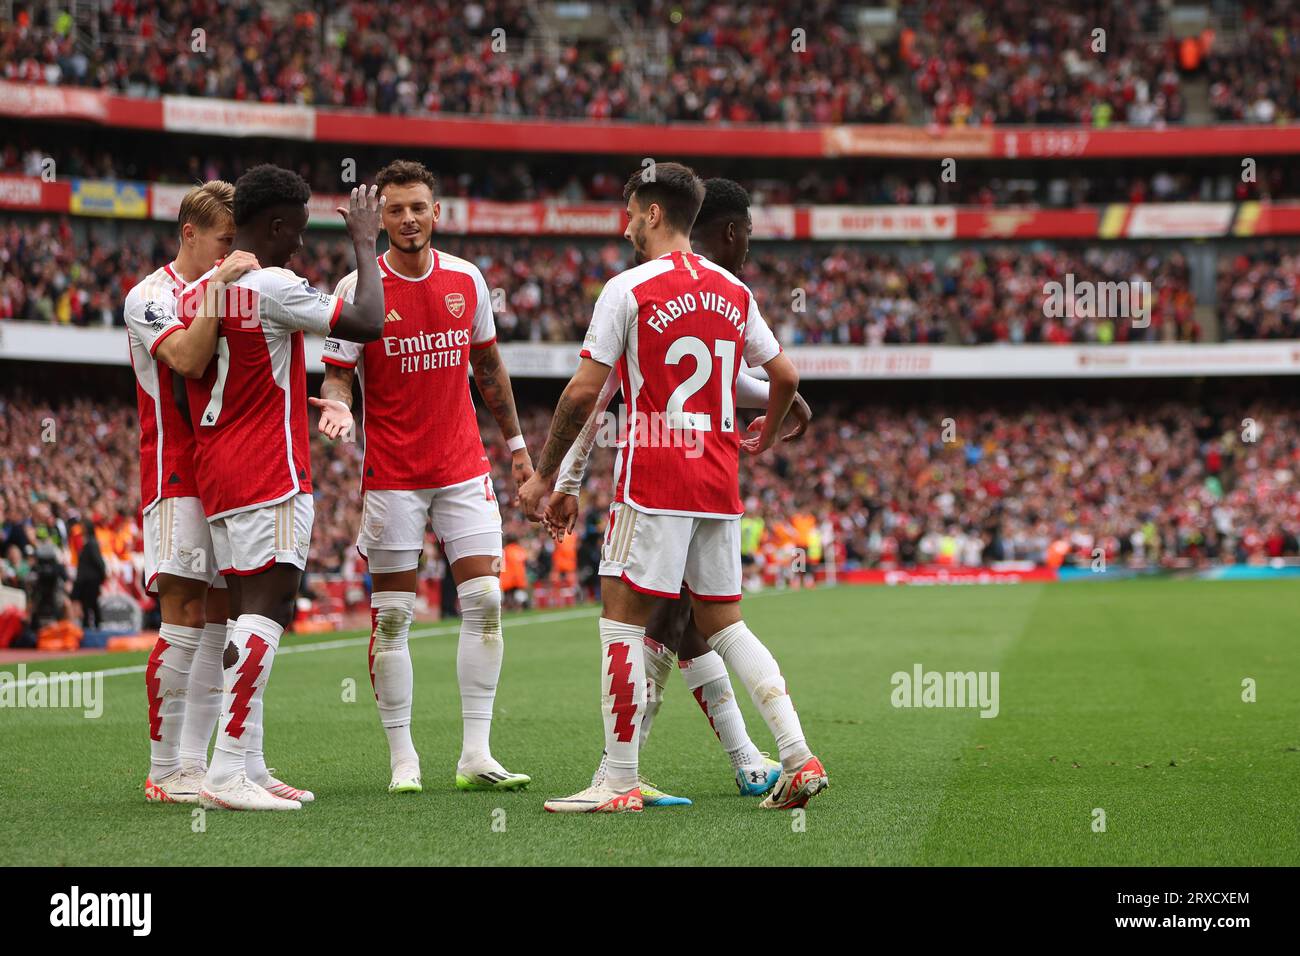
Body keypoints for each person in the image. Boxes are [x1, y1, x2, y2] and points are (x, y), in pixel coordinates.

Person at [519, 163, 827, 813]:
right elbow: (788, 375)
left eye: (632, 213)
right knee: (723, 622)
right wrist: (765, 435)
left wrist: (546, 476)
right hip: (716, 478)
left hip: (654, 477)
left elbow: (583, 394)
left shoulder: (628, 290)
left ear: (654, 214)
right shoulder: (732, 291)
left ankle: (619, 781)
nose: (628, 225)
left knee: (622, 618)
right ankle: (797, 756)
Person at [314, 159, 531, 795]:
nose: (408, 219)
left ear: (437, 213)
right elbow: (338, 373)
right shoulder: (358, 288)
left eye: (418, 207)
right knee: (394, 617)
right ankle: (403, 758)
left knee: (487, 602)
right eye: (395, 210)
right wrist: (337, 407)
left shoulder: (468, 279)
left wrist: (517, 446)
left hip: (464, 467)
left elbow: (489, 370)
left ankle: (475, 754)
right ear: (379, 219)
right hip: (393, 474)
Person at [178, 165, 386, 811]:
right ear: (272, 226)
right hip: (268, 470)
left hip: (220, 467)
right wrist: (363, 241)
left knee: (245, 612)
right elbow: (370, 320)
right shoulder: (273, 284)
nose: (298, 246)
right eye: (294, 232)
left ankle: (250, 764)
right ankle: (225, 771)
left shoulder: (207, 287)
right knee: (268, 611)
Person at [123, 180, 262, 804]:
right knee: (180, 615)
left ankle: (197, 764)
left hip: (230, 468)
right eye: (223, 241)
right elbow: (185, 359)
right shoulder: (148, 296)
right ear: (190, 233)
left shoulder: (230, 288)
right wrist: (218, 288)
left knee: (222, 620)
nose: (232, 252)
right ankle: (163, 768)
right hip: (175, 469)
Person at [71, 519, 105, 630]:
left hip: (90, 580)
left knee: (91, 604)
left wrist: (102, 575)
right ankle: (91, 625)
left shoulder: (91, 544)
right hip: (88, 580)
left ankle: (95, 625)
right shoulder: (89, 543)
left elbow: (98, 561)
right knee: (89, 604)